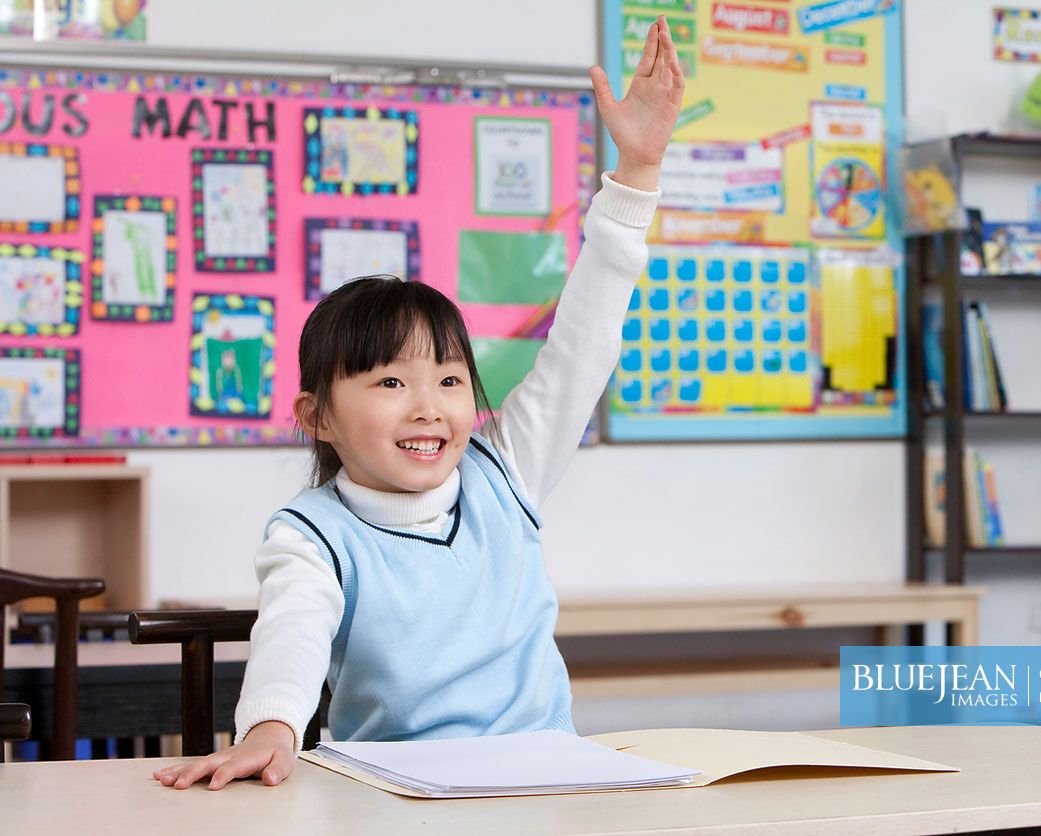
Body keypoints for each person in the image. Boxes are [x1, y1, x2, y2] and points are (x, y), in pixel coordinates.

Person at [155, 15, 684, 790]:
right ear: (318, 418)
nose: (428, 406)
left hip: (552, 781)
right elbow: (292, 632)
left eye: (449, 379)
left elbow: (585, 341)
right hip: (397, 794)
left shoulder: (507, 472)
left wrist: (637, 169)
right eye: (390, 383)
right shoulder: (312, 534)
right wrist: (270, 728)